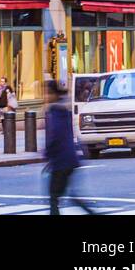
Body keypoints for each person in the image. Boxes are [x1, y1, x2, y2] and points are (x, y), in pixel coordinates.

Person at [44, 79, 97, 216]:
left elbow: (56, 135)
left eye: (48, 93)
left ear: (54, 94)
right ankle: (92, 212)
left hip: (61, 161)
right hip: (69, 159)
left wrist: (48, 153)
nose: (46, 96)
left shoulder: (55, 111)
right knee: (68, 194)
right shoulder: (64, 110)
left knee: (54, 196)